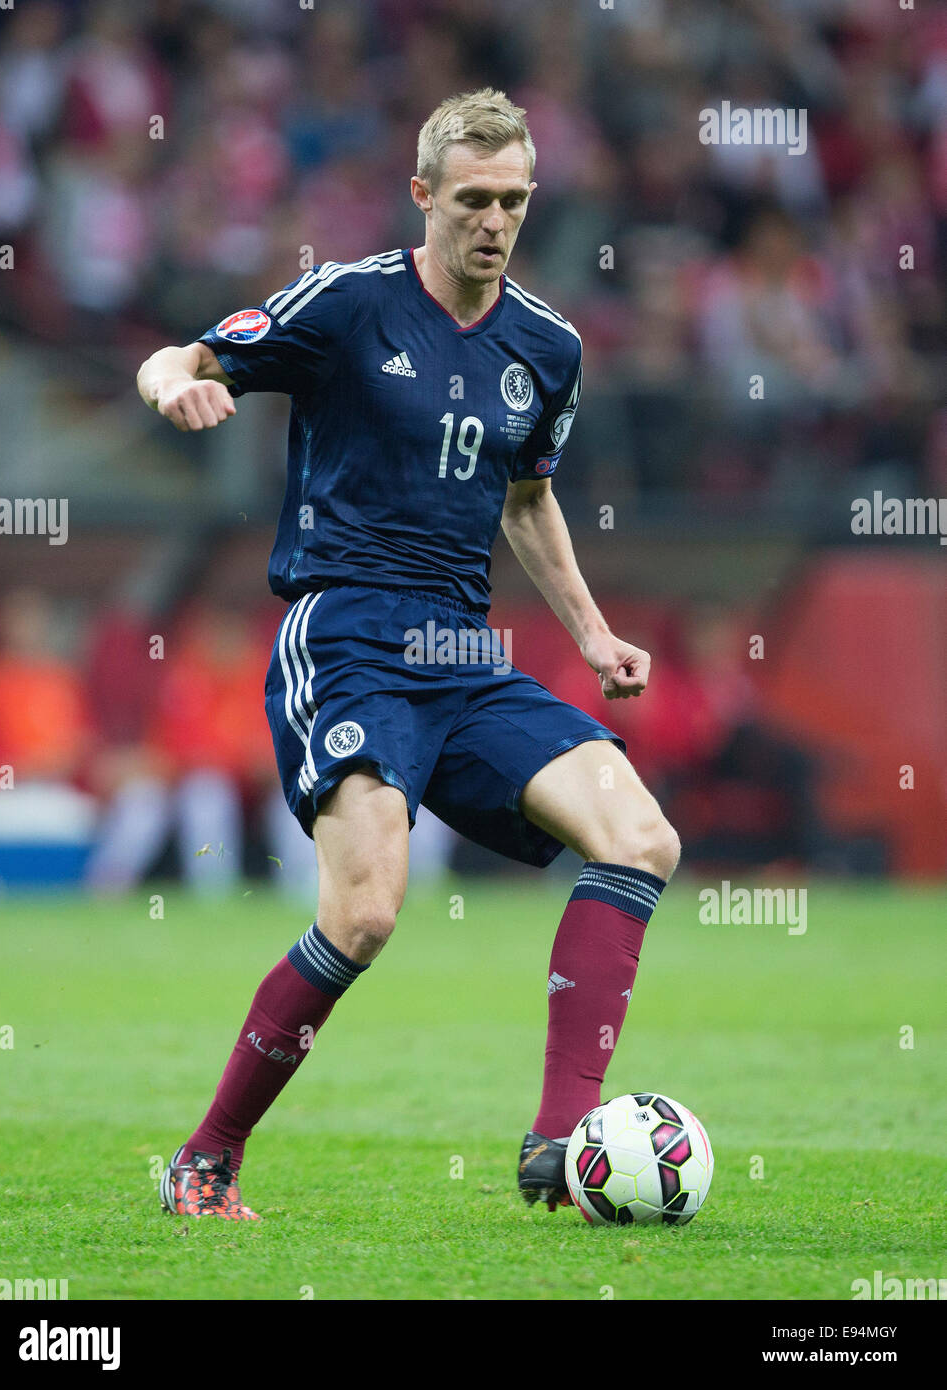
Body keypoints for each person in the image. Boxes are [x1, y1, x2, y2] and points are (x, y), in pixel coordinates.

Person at [136, 89, 680, 1222]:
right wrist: (177, 388)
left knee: (641, 835)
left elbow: (528, 499)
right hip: (345, 633)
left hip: (462, 649)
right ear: (425, 195)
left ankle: (558, 1142)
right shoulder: (348, 302)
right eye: (473, 199)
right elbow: (184, 353)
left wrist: (589, 631)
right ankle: (206, 1157)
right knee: (366, 914)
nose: (494, 221)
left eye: (514, 202)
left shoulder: (549, 345)